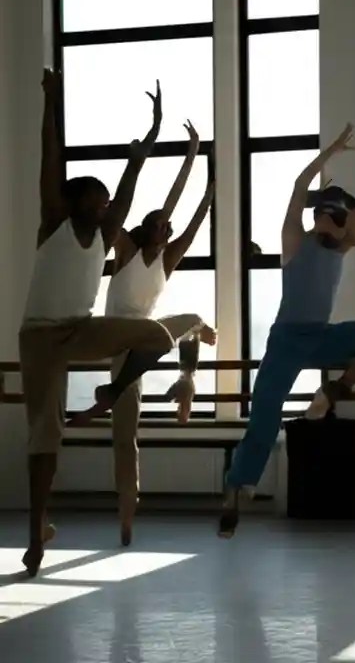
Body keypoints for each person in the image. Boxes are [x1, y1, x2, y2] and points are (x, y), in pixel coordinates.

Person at [219, 123, 355, 538]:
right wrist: (331, 149)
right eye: (332, 223)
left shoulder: (346, 241)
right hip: (286, 340)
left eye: (342, 225)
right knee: (264, 417)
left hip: (323, 336)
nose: (340, 231)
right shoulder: (295, 240)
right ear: (322, 221)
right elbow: (299, 186)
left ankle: (332, 391)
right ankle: (235, 493)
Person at [18, 71, 176, 576]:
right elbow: (50, 160)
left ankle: (111, 395)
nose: (107, 204)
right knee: (46, 437)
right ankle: (36, 534)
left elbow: (131, 184)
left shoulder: (107, 235)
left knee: (156, 334)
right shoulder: (54, 220)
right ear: (74, 200)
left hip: (83, 328)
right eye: (98, 198)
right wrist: (50, 100)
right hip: (41, 337)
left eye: (108, 201)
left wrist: (148, 142)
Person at [69, 121, 218, 546]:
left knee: (126, 434)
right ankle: (135, 384)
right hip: (114, 331)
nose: (166, 231)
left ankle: (127, 518)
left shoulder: (167, 260)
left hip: (140, 341)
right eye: (159, 225)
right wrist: (191, 154)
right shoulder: (128, 250)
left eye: (167, 230)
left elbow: (191, 223)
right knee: (191, 320)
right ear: (145, 229)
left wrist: (209, 191)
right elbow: (172, 201)